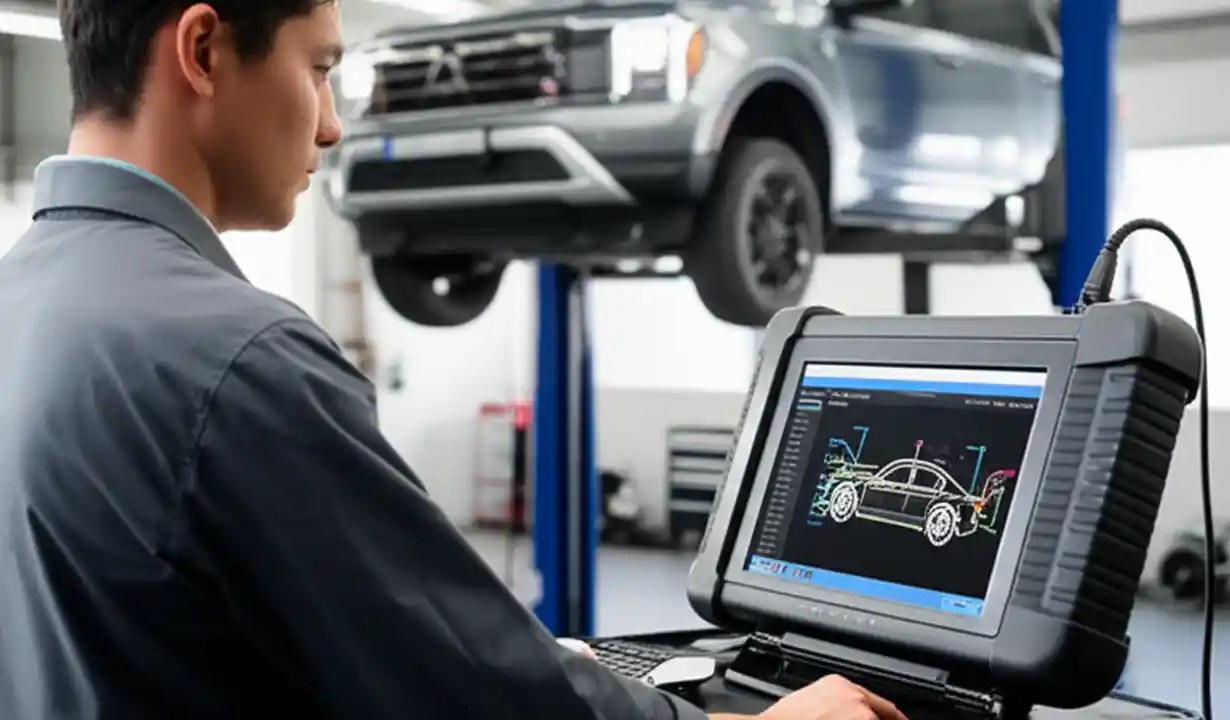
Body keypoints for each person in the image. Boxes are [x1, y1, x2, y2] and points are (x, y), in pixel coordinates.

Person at [0, 2, 908, 719]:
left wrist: (514, 668)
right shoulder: (239, 360)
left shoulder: (23, 305)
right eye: (319, 70)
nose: (330, 125)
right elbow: (461, 692)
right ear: (202, 50)